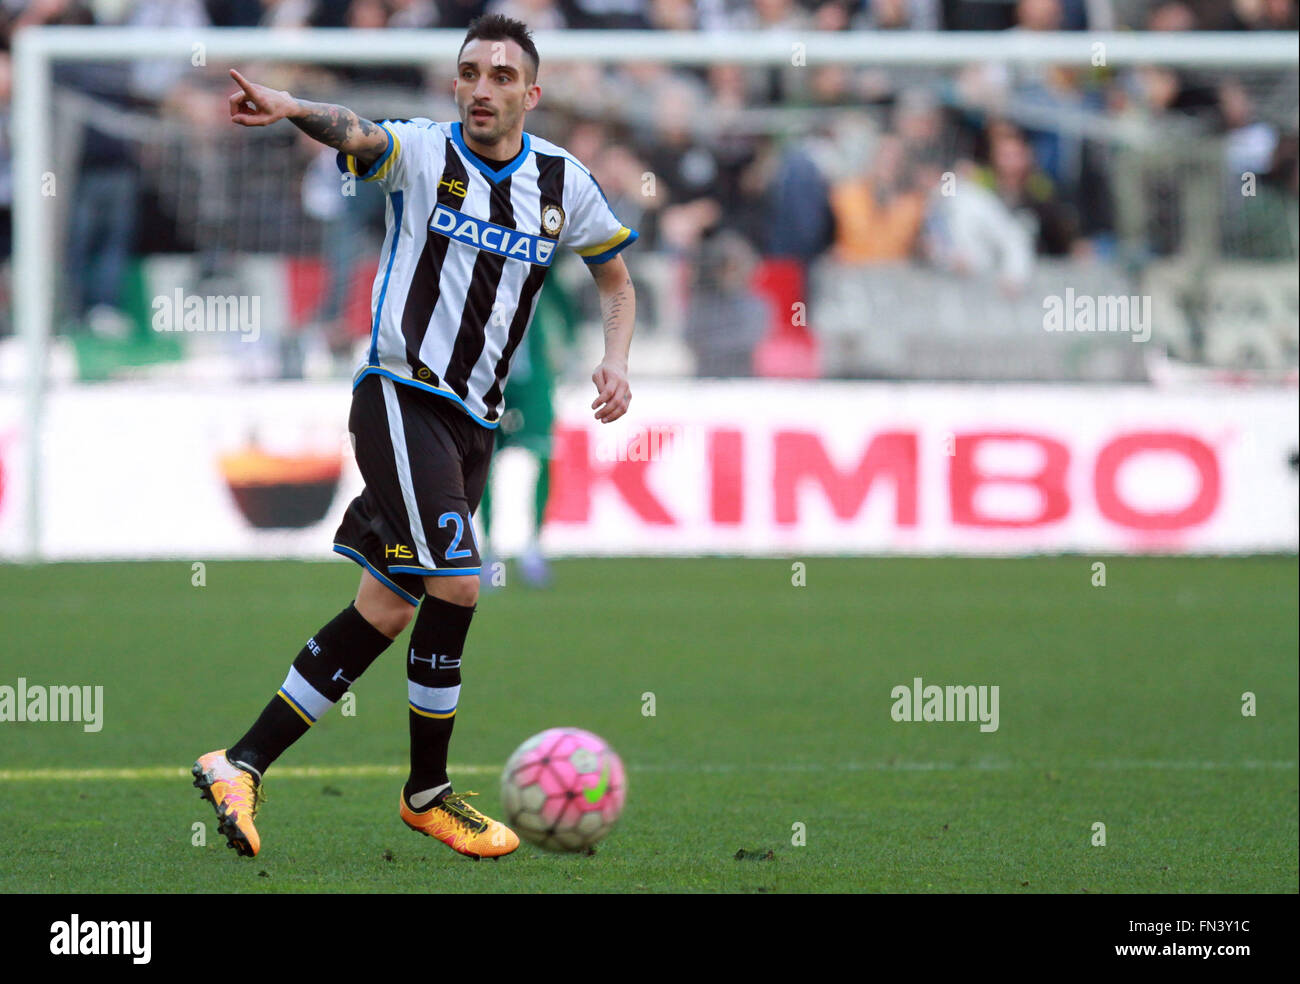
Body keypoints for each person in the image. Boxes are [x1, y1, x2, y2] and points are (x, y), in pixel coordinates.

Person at [192, 14, 638, 860]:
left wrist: (616, 358)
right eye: (470, 71)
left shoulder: (562, 181)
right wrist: (288, 104)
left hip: (474, 424)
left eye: (502, 76)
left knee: (388, 607)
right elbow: (356, 129)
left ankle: (239, 762)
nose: (481, 87)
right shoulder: (424, 153)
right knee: (460, 585)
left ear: (530, 94)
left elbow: (615, 277)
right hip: (401, 398)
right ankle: (426, 794)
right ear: (454, 84)